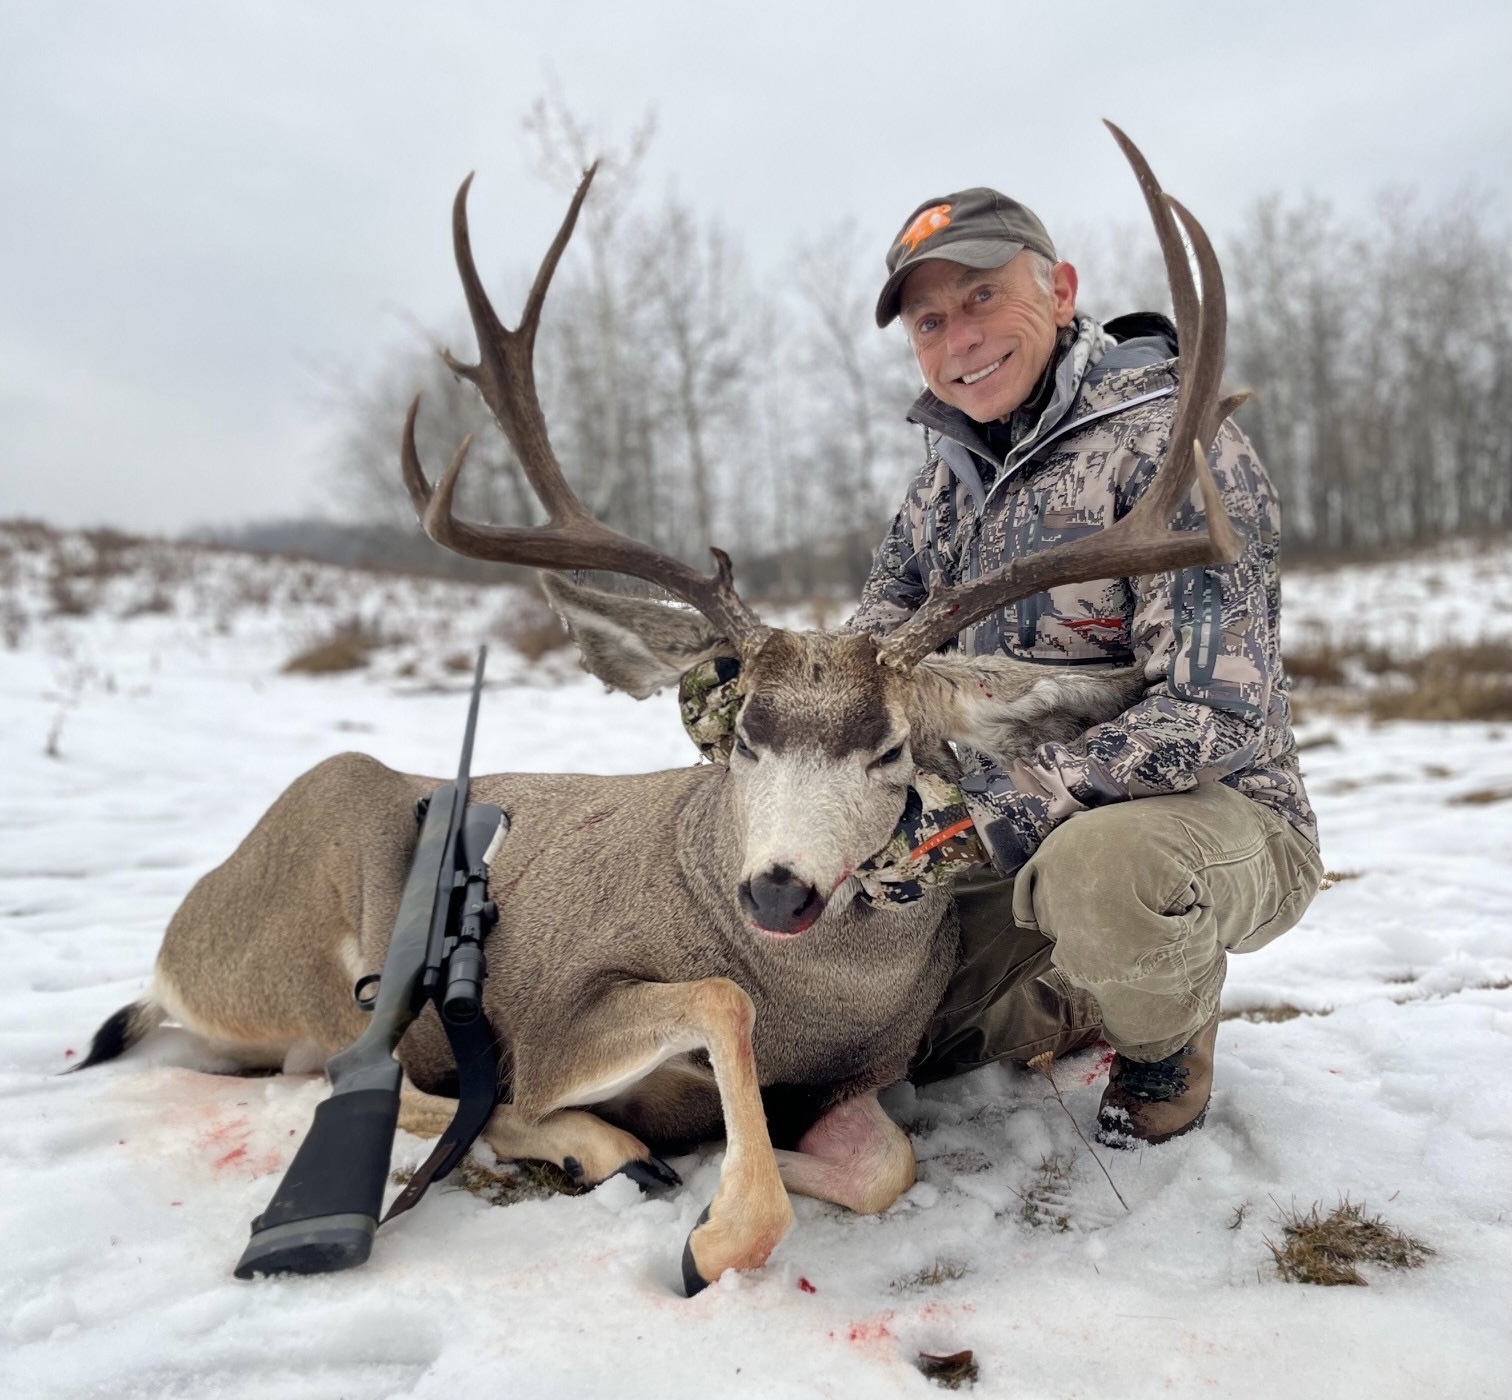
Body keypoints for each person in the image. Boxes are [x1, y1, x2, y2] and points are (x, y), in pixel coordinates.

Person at [849, 186, 1323, 1146]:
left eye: (982, 298)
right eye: (930, 320)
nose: (958, 338)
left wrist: (991, 815)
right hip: (995, 822)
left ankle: (1164, 1040)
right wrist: (777, 688)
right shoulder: (943, 482)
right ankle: (1073, 996)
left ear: (1061, 291)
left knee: (1102, 877)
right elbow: (880, 639)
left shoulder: (1172, 446)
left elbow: (1215, 715)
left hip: (1205, 816)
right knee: (876, 1008)